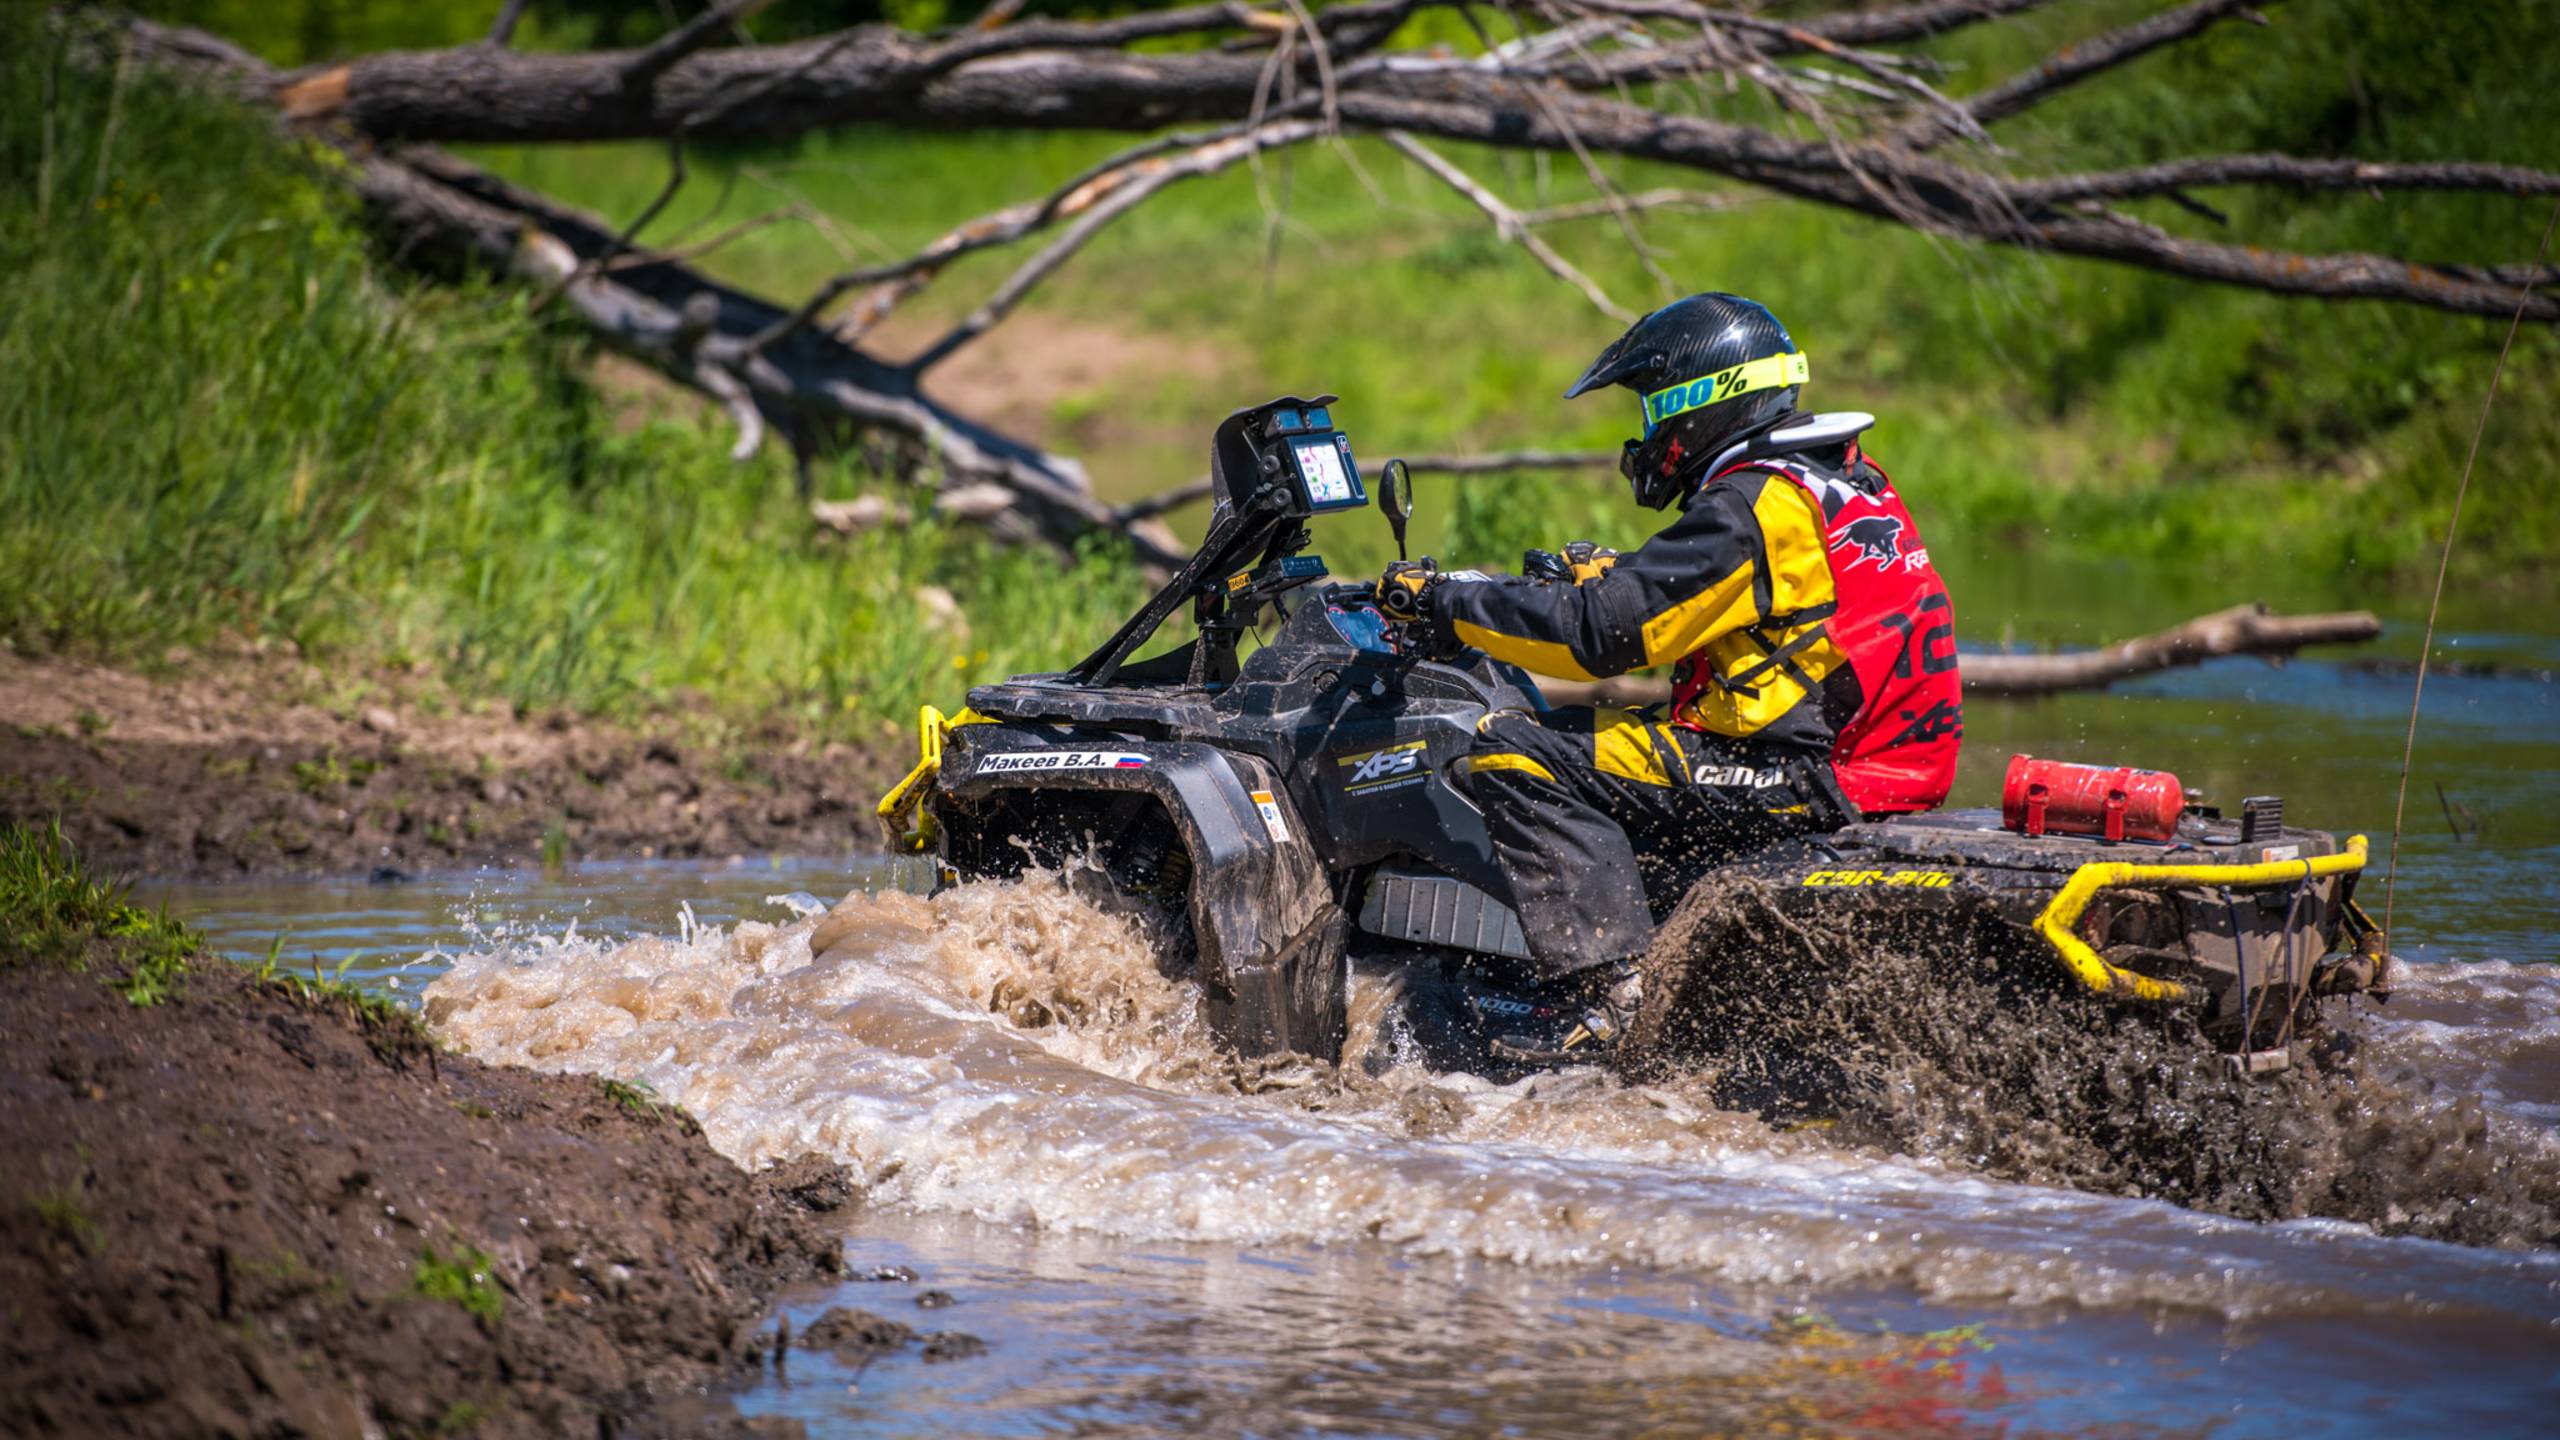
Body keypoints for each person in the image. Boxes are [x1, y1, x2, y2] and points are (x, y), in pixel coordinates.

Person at [1374, 292, 1963, 1054]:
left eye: (1656, 409)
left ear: (1702, 406)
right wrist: (1621, 573)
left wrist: (1447, 602)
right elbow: (1747, 597)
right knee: (1598, 742)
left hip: (1813, 774)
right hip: (1876, 763)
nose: (1649, 432)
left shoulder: (1749, 504)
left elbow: (1599, 638)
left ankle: (1616, 998)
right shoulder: (1839, 477)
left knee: (1510, 749)